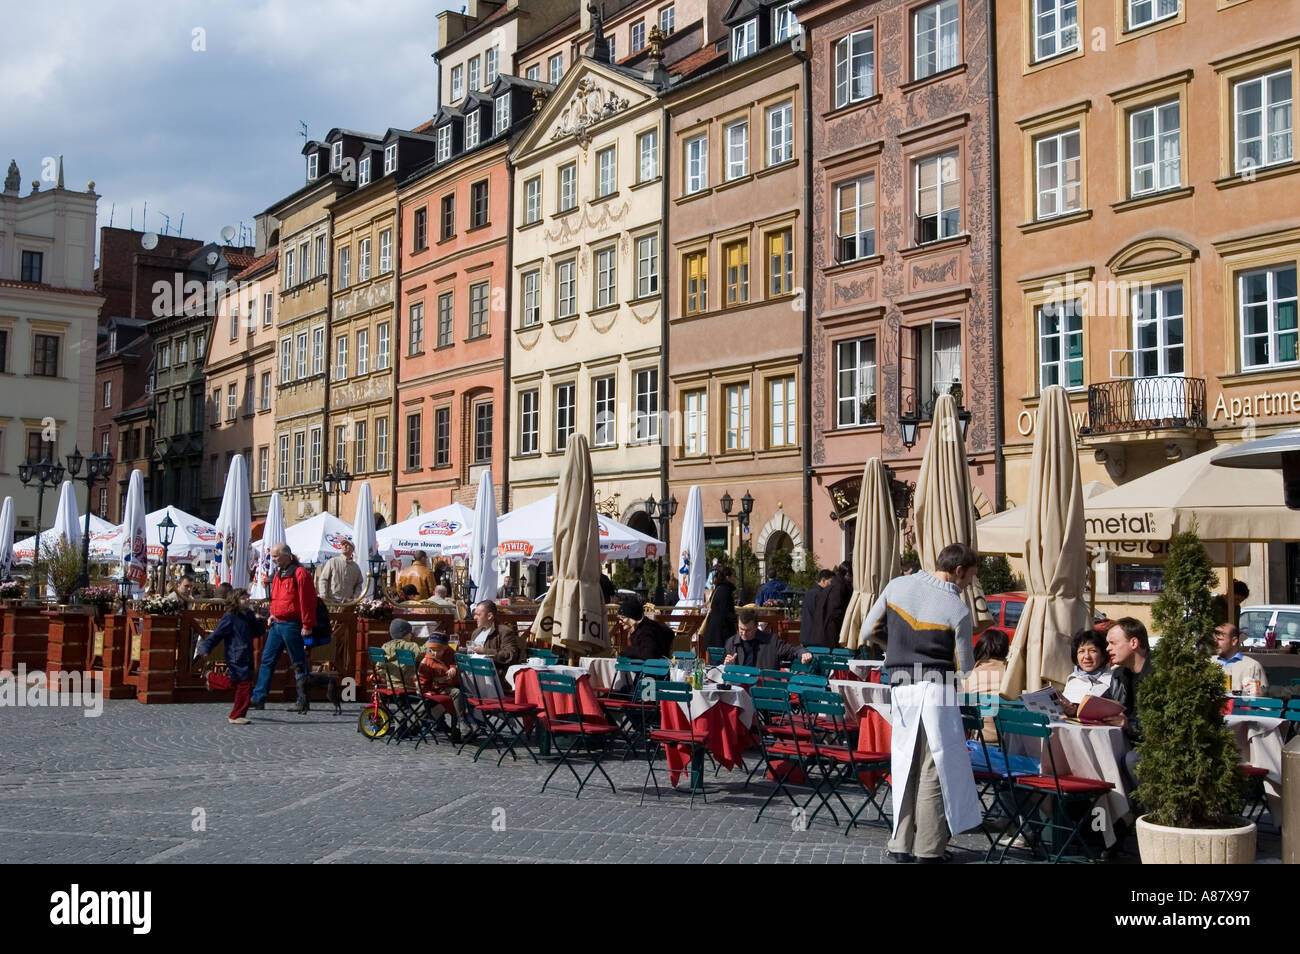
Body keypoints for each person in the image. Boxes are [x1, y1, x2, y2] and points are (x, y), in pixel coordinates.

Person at [862, 542, 983, 864]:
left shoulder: (897, 585)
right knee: (933, 768)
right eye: (969, 577)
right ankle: (928, 849)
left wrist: (899, 648)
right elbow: (966, 666)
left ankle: (900, 843)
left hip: (901, 687)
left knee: (904, 763)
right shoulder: (956, 608)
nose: (969, 584)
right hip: (937, 689)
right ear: (958, 571)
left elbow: (867, 631)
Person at [249, 543, 317, 714]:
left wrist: (307, 625)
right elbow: (276, 598)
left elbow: (307, 601)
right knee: (267, 660)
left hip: (292, 624)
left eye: (275, 556)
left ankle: (303, 699)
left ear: (287, 555)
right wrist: (272, 614)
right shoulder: (280, 573)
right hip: (278, 623)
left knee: (298, 662)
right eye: (273, 556)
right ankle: (259, 698)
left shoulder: (299, 573)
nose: (273, 559)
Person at [196, 588, 264, 724]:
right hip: (236, 655)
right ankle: (236, 715)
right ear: (236, 601)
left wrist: (259, 621)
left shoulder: (249, 615)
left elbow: (257, 632)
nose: (247, 600)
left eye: (247, 597)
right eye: (244, 598)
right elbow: (217, 634)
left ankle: (212, 678)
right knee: (244, 684)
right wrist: (206, 648)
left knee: (235, 682)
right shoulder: (230, 616)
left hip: (247, 653)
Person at [1104, 617, 1152, 789]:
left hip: (1154, 746)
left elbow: (1165, 724)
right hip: (1127, 741)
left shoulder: (1160, 675)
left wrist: (1127, 724)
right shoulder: (1119, 675)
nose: (1108, 648)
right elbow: (1103, 703)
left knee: (1132, 760)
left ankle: (1144, 814)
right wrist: (1074, 709)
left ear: (1133, 642)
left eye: (1113, 643)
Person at [418, 627, 469, 741]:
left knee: (465, 694)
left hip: (451, 684)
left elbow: (455, 661)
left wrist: (454, 668)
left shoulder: (450, 652)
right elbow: (422, 678)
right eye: (433, 650)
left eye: (439, 650)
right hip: (438, 687)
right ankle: (461, 721)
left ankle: (458, 731)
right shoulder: (427, 661)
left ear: (445, 648)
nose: (435, 653)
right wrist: (425, 691)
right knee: (457, 694)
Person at [723, 608, 813, 669]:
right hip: (738, 686)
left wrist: (803, 653)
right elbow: (723, 670)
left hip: (762, 686)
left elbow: (792, 650)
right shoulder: (731, 642)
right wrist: (727, 666)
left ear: (755, 627)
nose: (744, 633)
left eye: (748, 630)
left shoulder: (771, 641)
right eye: (741, 629)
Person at [962, 629, 1008, 743]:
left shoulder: (969, 677)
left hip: (979, 739)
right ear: (1005, 650)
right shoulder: (1011, 676)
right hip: (1008, 740)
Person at [468, 600, 525, 679]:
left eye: (478, 614)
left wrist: (484, 651)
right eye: (474, 614)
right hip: (474, 672)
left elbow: (510, 655)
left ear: (489, 616)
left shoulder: (504, 632)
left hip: (494, 675)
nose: (474, 617)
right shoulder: (476, 632)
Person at [1062, 627, 1115, 705]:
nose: (1086, 656)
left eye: (1093, 651)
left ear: (1103, 655)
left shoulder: (1114, 681)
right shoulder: (1072, 680)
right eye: (1081, 651)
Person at [1212, 624, 1268, 694]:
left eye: (1220, 639)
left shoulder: (1252, 666)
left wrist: (1259, 692)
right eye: (1214, 639)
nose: (1215, 643)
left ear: (1234, 641)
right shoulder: (1208, 663)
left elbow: (1265, 697)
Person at [620, 596, 674, 661]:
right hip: (657, 665)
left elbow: (648, 653)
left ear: (632, 618)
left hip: (657, 668)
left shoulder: (646, 630)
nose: (620, 621)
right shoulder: (644, 625)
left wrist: (627, 650)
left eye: (623, 618)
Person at [380, 618, 427, 692]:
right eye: (410, 632)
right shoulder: (408, 646)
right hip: (408, 686)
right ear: (405, 634)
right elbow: (422, 652)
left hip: (390, 685)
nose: (411, 635)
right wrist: (431, 640)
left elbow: (379, 667)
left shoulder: (385, 646)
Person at [814, 563, 852, 649]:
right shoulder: (840, 586)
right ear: (848, 574)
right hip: (832, 635)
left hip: (824, 634)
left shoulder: (834, 584)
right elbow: (835, 611)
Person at [701, 566, 737, 652]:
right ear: (728, 577)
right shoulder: (725, 590)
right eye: (734, 576)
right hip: (721, 634)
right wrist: (739, 619)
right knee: (722, 662)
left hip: (714, 632)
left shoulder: (718, 588)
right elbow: (726, 612)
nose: (735, 578)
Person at [317, 539, 365, 604]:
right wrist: (323, 595)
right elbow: (323, 579)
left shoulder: (356, 567)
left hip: (347, 605)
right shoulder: (333, 561)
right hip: (331, 602)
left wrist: (354, 598)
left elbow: (359, 584)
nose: (344, 546)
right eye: (343, 544)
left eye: (347, 545)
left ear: (352, 550)